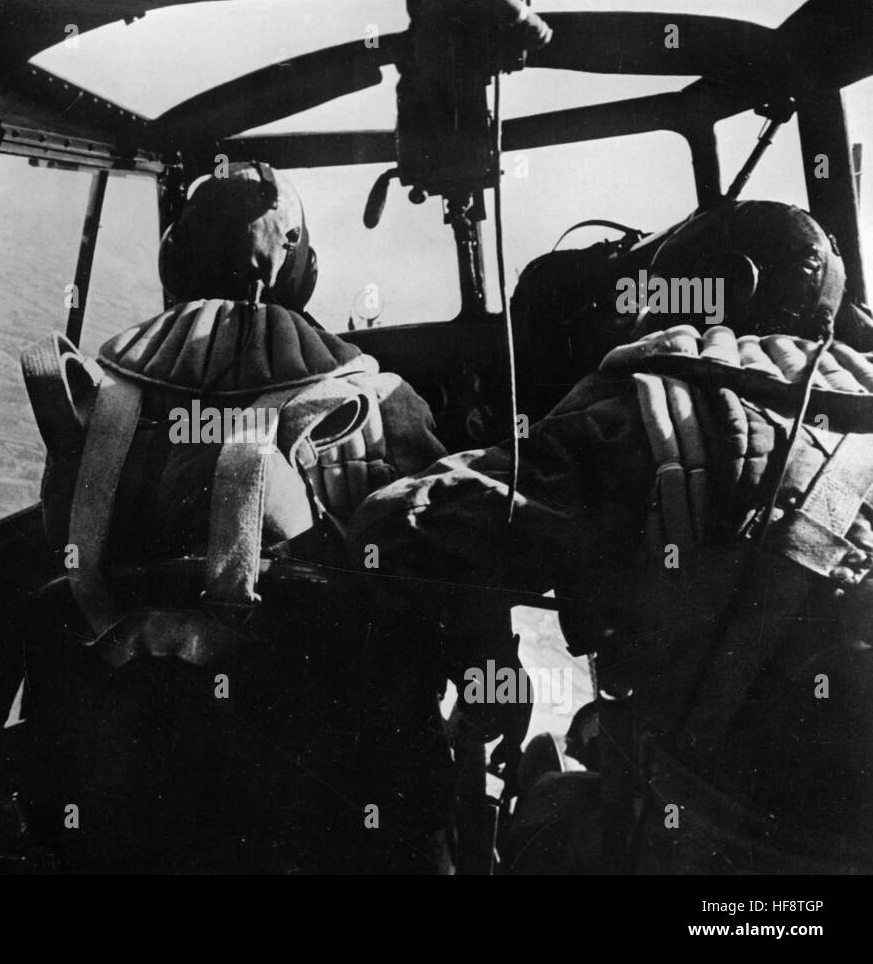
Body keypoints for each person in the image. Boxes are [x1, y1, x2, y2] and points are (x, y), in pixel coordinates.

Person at [349, 201, 873, 872]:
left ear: (733, 284)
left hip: (739, 851)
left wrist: (491, 661)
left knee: (545, 811)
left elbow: (399, 527)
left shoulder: (655, 415)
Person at [22, 160, 447, 871]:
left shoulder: (98, 404)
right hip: (313, 800)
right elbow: (439, 597)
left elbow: (57, 551)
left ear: (174, 258)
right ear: (300, 268)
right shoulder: (381, 403)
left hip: (124, 791)